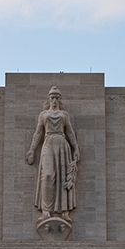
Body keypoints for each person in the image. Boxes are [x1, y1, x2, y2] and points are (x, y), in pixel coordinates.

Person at [26, 87, 79, 222]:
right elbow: (38, 133)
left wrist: (76, 148)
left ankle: (64, 211)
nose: (54, 100)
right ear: (48, 99)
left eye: (57, 98)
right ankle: (46, 211)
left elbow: (70, 133)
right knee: (48, 175)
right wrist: (32, 150)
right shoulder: (43, 114)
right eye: (52, 97)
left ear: (59, 100)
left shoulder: (64, 115)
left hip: (62, 144)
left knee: (62, 177)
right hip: (48, 143)